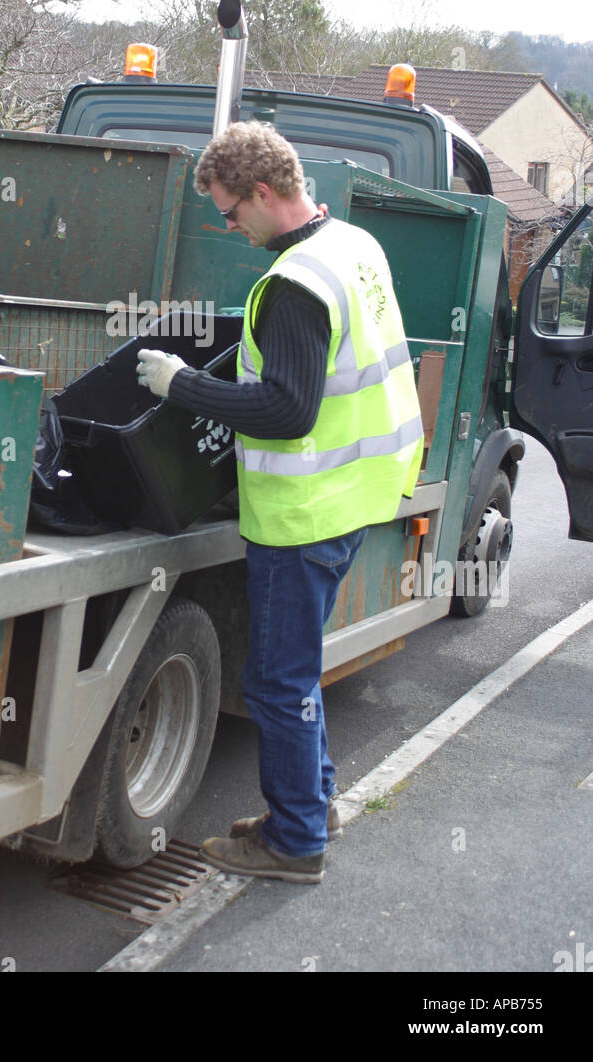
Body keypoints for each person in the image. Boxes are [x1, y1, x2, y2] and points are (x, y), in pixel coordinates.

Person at [136, 120, 423, 884]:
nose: (230, 227)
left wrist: (181, 385)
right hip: (361, 491)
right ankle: (312, 804)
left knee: (275, 679)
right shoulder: (355, 247)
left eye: (232, 213)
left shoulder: (294, 286)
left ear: (265, 193)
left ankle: (295, 841)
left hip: (308, 513)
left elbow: (288, 411)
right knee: (294, 669)